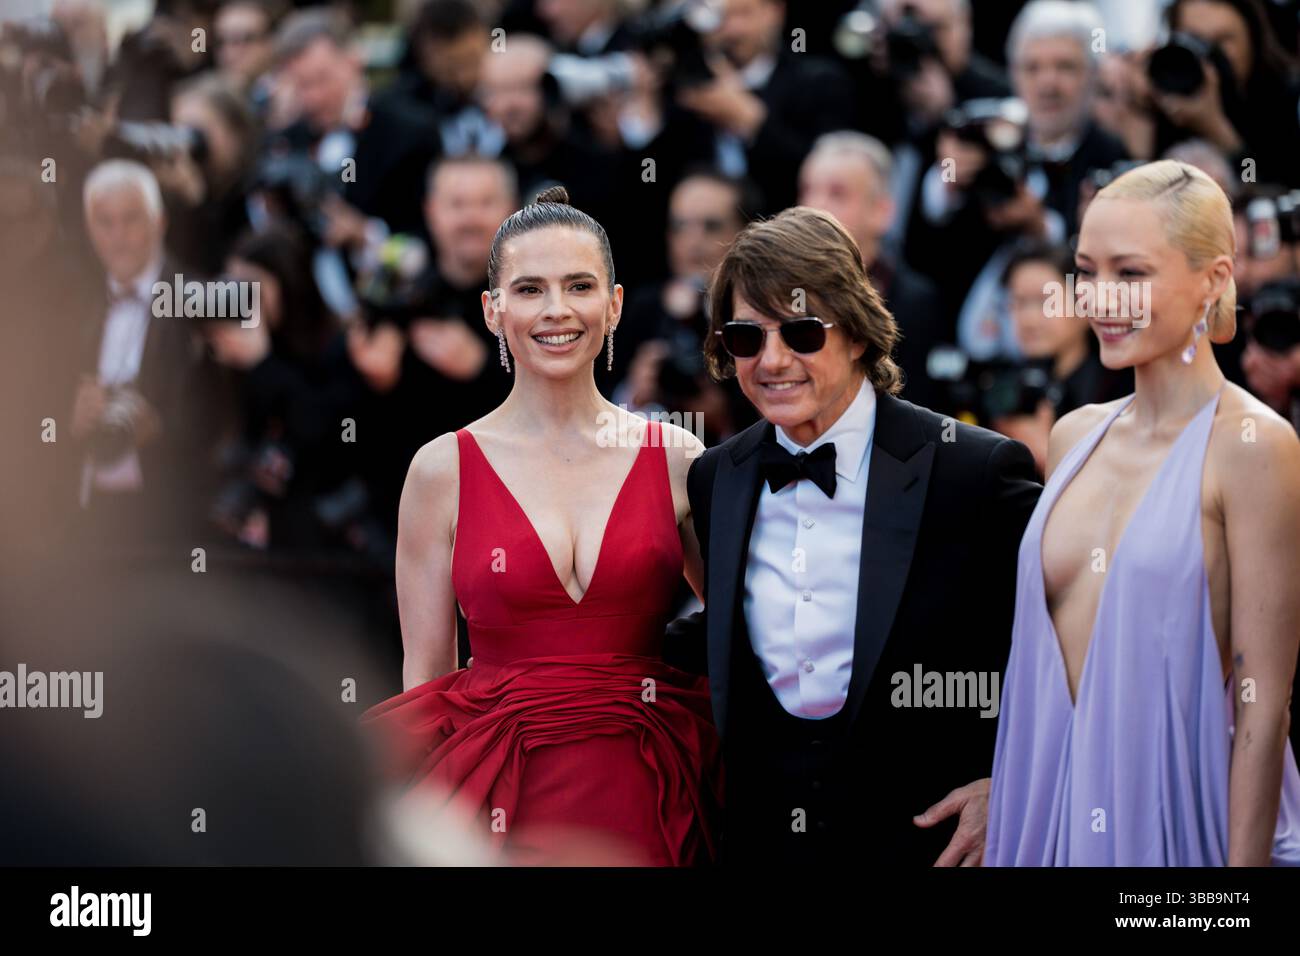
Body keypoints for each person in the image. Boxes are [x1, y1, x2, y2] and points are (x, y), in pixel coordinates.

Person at [360, 186, 722, 866]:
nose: (557, 311)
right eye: (529, 289)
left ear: (613, 305)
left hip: (653, 784)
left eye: (579, 286)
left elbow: (735, 635)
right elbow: (428, 680)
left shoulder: (680, 458)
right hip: (498, 788)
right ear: (493, 312)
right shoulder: (442, 471)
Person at [671, 205, 1042, 865]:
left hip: (930, 843)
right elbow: (719, 639)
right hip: (765, 842)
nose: (773, 361)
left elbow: (1060, 646)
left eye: (802, 333)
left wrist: (1009, 785)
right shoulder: (715, 478)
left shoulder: (973, 469)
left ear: (859, 333)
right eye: (746, 338)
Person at [985, 160, 1300, 865]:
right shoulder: (1072, 434)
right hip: (1039, 815)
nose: (1100, 299)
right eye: (1087, 271)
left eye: (1131, 275)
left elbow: (1262, 707)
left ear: (1215, 280)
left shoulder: (1255, 448)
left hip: (1171, 827)